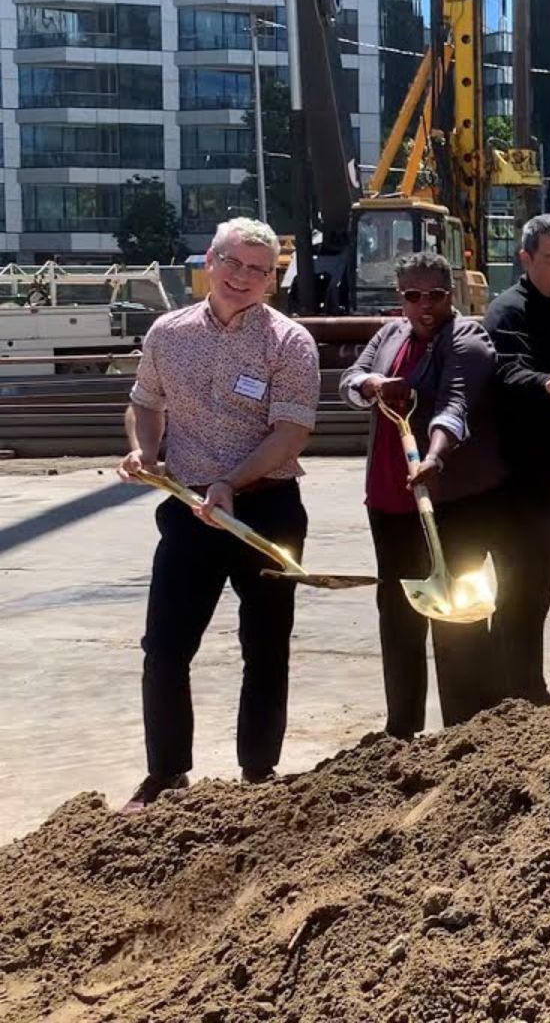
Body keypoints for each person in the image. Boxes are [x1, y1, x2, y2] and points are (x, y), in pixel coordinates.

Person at [117, 217, 320, 811]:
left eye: (259, 270)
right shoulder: (168, 333)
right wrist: (144, 450)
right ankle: (165, 773)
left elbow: (290, 433)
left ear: (272, 280)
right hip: (189, 509)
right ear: (210, 261)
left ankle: (258, 772)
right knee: (165, 646)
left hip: (267, 509)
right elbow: (144, 403)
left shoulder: (289, 342)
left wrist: (232, 482)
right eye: (233, 263)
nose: (243, 277)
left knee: (265, 645)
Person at [342, 251, 506, 737]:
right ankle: (402, 731)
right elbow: (352, 379)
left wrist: (435, 456)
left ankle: (464, 732)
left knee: (457, 616)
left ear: (451, 294)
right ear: (401, 298)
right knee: (398, 617)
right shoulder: (390, 334)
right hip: (390, 501)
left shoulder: (468, 338)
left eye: (435, 295)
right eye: (413, 296)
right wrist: (373, 384)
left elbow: (456, 404)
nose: (425, 305)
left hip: (451, 501)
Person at [484, 214, 550, 705]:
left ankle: (524, 685)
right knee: (519, 588)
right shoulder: (509, 311)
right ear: (526, 259)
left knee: (536, 586)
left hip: (548, 475)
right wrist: (549, 382)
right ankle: (512, 693)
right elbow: (508, 369)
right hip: (514, 478)